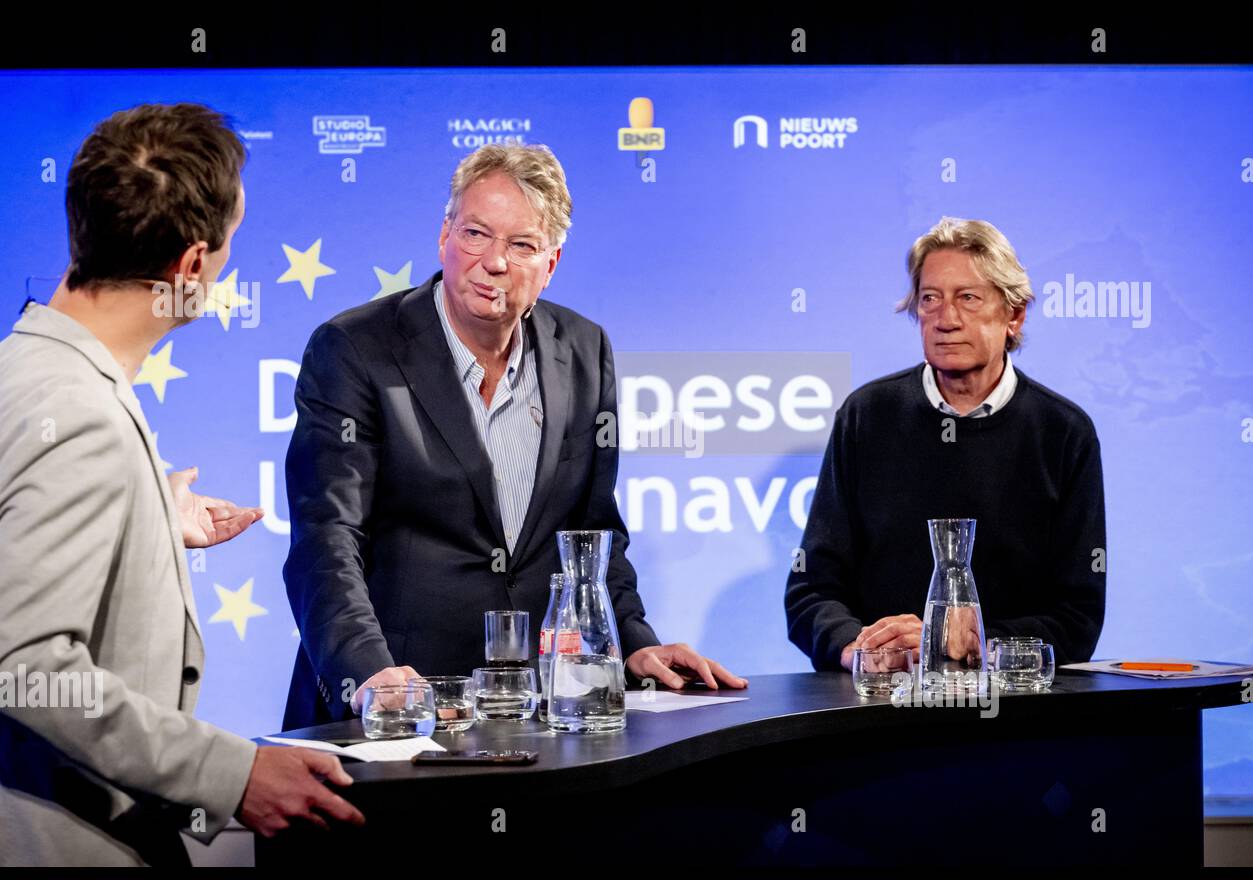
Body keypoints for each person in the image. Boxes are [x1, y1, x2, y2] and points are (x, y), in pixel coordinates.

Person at [0, 103, 364, 865]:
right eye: (230, 246)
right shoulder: (77, 415)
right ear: (192, 265)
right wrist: (231, 774)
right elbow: (24, 669)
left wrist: (150, 518)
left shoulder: (29, 372)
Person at [282, 143, 746, 729]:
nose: (494, 262)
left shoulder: (585, 350)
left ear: (551, 264)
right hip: (394, 710)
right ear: (444, 234)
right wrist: (368, 673)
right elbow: (327, 538)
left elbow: (594, 532)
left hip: (538, 712)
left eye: (522, 245)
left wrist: (633, 644)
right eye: (476, 234)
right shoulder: (355, 349)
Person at [785, 216, 1106, 673]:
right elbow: (811, 591)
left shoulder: (1063, 432)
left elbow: (1077, 620)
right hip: (875, 708)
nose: (946, 319)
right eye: (930, 299)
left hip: (1015, 713)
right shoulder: (866, 416)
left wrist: (970, 639)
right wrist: (858, 649)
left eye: (968, 299)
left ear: (1014, 314)